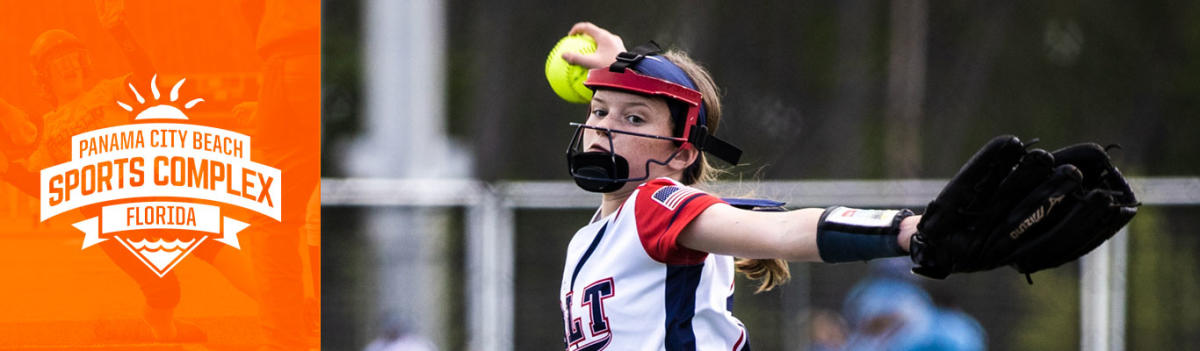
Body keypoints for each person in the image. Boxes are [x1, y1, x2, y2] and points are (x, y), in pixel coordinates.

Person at [557, 23, 922, 350]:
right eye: (600, 110)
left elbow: (783, 229)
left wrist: (906, 230)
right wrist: (623, 64)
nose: (604, 126)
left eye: (634, 117)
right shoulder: (588, 239)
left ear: (682, 155)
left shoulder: (653, 205)